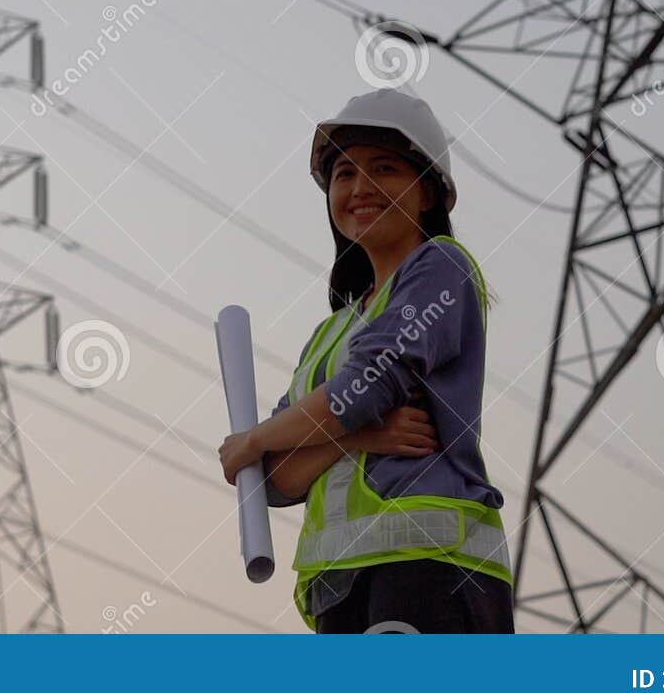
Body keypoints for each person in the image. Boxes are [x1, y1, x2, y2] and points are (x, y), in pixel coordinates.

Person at [218, 87, 514, 633]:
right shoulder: (330, 334)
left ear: (428, 193)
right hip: (340, 586)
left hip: (430, 571)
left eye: (385, 169)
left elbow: (362, 392)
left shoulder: (441, 269)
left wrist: (258, 437)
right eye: (344, 174)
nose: (360, 188)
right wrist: (352, 437)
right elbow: (276, 480)